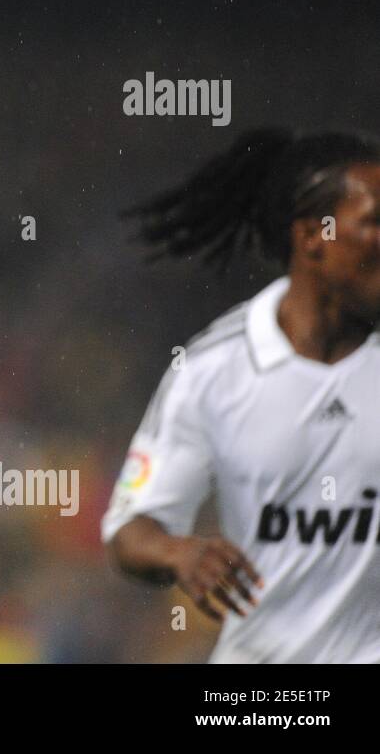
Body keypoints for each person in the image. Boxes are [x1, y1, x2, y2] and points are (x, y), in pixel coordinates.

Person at [103, 128, 380, 662]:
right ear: (311, 238)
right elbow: (130, 529)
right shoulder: (214, 368)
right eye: (375, 223)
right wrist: (180, 552)